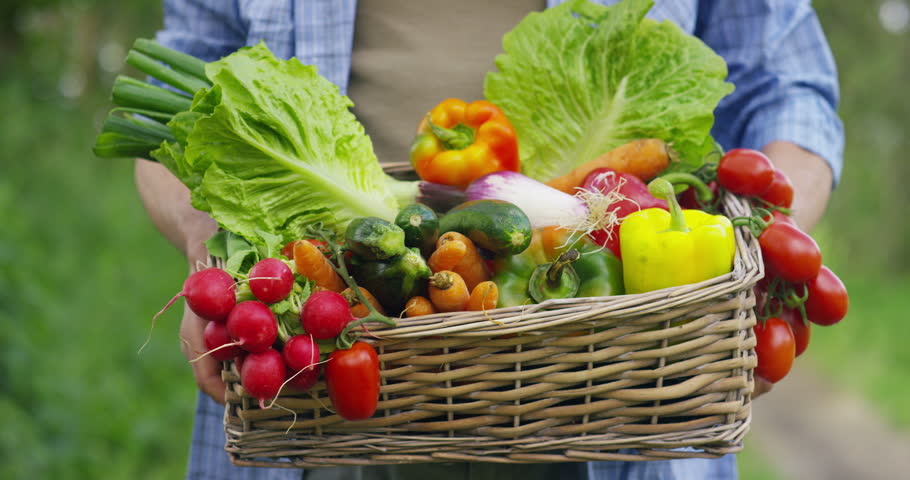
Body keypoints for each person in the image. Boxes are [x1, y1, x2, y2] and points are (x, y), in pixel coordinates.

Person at [135, 1, 843, 478]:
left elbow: (788, 84)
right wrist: (214, 261)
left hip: (624, 391)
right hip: (310, 362)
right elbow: (180, 110)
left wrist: (764, 245)